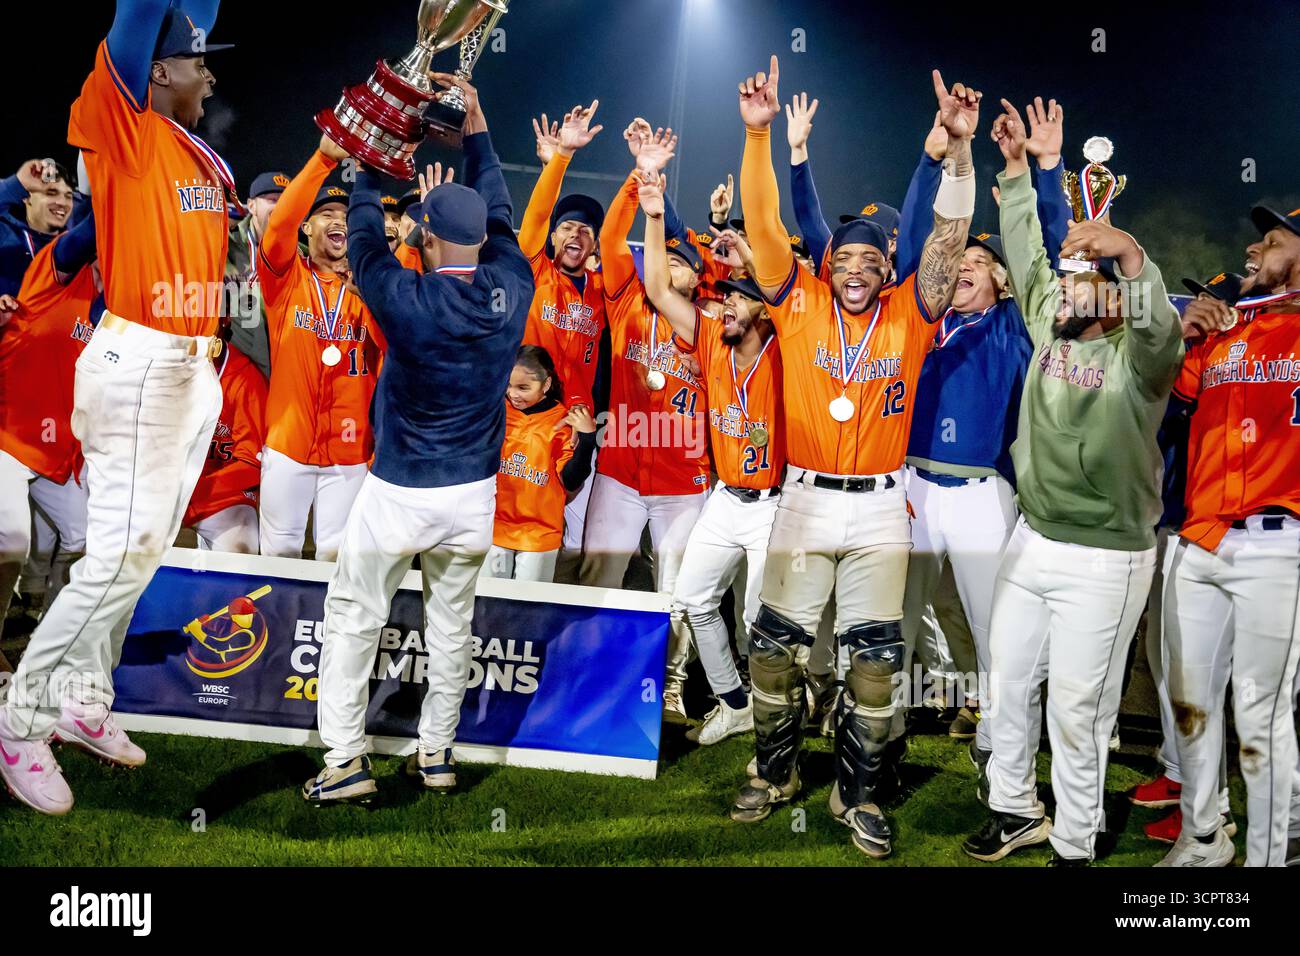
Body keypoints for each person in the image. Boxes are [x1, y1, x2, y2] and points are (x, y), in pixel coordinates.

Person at [731, 57, 976, 860]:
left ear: (887, 269)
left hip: (878, 503)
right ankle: (774, 774)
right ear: (826, 265)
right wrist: (760, 133)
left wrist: (958, 157)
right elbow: (766, 229)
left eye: (873, 261)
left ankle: (858, 793)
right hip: (803, 498)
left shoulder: (911, 315)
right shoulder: (797, 301)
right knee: (771, 649)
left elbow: (946, 238)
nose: (859, 271)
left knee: (874, 666)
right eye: (846, 260)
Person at [0, 0, 235, 814]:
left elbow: (188, 9)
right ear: (158, 72)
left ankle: (80, 695)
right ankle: (18, 719)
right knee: (116, 558)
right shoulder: (125, 129)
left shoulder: (192, 154)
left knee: (138, 553)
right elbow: (142, 12)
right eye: (196, 59)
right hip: (139, 359)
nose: (211, 70)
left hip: (188, 364)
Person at [962, 100, 1183, 866]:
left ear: (1113, 294)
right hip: (1032, 538)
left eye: (1079, 276)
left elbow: (1164, 330)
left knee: (1079, 709)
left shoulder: (1140, 358)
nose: (1060, 284)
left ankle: (1076, 839)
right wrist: (1021, 172)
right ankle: (1014, 807)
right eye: (1064, 275)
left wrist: (1131, 255)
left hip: (1106, 557)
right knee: (1012, 684)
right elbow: (1025, 251)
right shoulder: (1050, 314)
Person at [304, 73, 532, 804]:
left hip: (399, 489)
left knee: (354, 616)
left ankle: (344, 760)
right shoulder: (512, 287)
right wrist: (477, 117)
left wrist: (372, 155)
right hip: (473, 496)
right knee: (452, 624)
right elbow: (496, 200)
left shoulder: (407, 297)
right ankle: (435, 755)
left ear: (426, 236)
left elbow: (364, 236)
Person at [1156, 205, 1300, 868]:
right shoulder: (1227, 326)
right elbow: (1166, 398)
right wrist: (1187, 334)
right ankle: (1203, 836)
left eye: (1270, 241)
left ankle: (1274, 855)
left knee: (1262, 717)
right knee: (1191, 703)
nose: (1251, 248)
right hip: (1201, 534)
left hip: (1277, 542)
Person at [638, 170, 784, 745]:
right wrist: (654, 215)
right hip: (727, 496)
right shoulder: (706, 337)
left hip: (775, 502)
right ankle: (735, 702)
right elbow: (656, 287)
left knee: (758, 621)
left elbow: (791, 288)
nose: (723, 306)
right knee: (694, 599)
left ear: (765, 311)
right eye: (723, 299)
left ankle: (780, 712)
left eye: (738, 301)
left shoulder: (786, 348)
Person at [579, 123, 711, 724]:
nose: (672, 267)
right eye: (667, 260)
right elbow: (612, 235)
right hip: (622, 470)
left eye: (684, 263)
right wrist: (639, 177)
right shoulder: (625, 295)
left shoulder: (706, 324)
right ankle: (591, 669)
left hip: (684, 481)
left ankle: (672, 683)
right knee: (599, 572)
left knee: (677, 593)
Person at [1130, 272, 1245, 845]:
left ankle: (1208, 806)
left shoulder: (1232, 359)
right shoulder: (1190, 350)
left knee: (1197, 672)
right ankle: (1180, 776)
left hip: (1204, 526)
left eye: (1214, 299)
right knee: (1164, 657)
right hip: (1172, 519)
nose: (1202, 305)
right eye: (1197, 296)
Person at [256, 146, 386, 562]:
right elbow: (278, 225)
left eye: (346, 217)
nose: (338, 221)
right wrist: (322, 159)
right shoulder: (285, 278)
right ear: (307, 227)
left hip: (349, 450)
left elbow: (395, 348)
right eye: (326, 214)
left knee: (337, 563)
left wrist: (372, 296)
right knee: (277, 560)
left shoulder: (374, 288)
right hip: (288, 443)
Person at [0, 209, 97, 656]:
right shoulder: (52, 272)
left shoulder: (109, 307)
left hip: (60, 452)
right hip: (10, 437)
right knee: (13, 541)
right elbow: (92, 229)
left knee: (87, 544)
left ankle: (50, 647)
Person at [522, 105, 608, 572]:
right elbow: (534, 218)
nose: (578, 232)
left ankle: (557, 639)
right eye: (568, 226)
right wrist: (558, 162)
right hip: (526, 427)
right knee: (515, 539)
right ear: (553, 238)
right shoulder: (535, 272)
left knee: (572, 545)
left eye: (587, 230)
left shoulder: (602, 294)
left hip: (579, 430)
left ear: (595, 245)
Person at [482, 345, 597, 582]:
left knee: (528, 610)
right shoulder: (497, 411)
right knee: (489, 604)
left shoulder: (561, 421)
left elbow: (572, 480)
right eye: (509, 385)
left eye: (524, 387)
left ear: (546, 385)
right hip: (495, 528)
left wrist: (587, 439)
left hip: (539, 534)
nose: (513, 394)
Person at [181, 335, 267, 553]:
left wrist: (192, 495)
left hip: (223, 497)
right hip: (166, 492)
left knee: (240, 548)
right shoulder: (157, 366)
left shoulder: (244, 378)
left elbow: (250, 465)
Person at [224, 169, 288, 378]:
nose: (281, 207)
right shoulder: (224, 247)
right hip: (235, 373)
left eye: (286, 200)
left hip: (283, 368)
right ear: (251, 206)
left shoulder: (304, 256)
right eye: (272, 200)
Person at [0, 159, 75, 301]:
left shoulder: (76, 247)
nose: (62, 203)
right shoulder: (5, 233)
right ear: (26, 198)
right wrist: (18, 184)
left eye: (68, 196)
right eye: (51, 193)